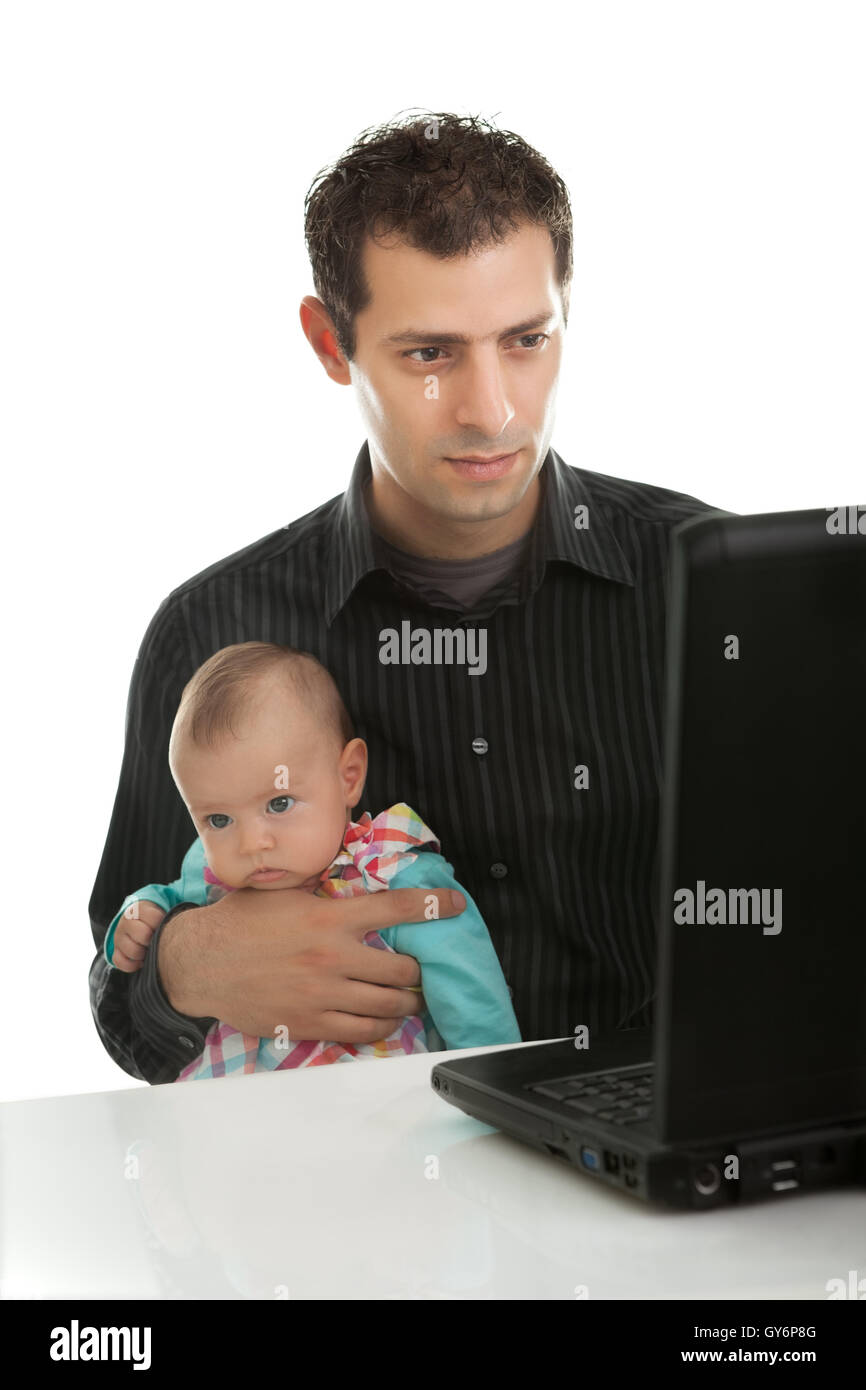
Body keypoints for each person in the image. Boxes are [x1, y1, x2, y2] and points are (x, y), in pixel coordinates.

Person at [89, 110, 718, 1085]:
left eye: (524, 339)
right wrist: (181, 964)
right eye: (429, 354)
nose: (491, 409)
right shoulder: (208, 630)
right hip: (346, 1206)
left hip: (670, 1178)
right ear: (330, 341)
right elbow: (123, 1001)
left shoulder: (712, 581)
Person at [105, 641, 520, 1077]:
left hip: (376, 1108)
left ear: (349, 778)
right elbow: (161, 901)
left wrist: (493, 1083)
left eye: (280, 804)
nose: (252, 842)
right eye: (219, 818)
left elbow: (471, 993)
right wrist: (140, 917)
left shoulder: (390, 870)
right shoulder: (207, 874)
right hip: (234, 1119)